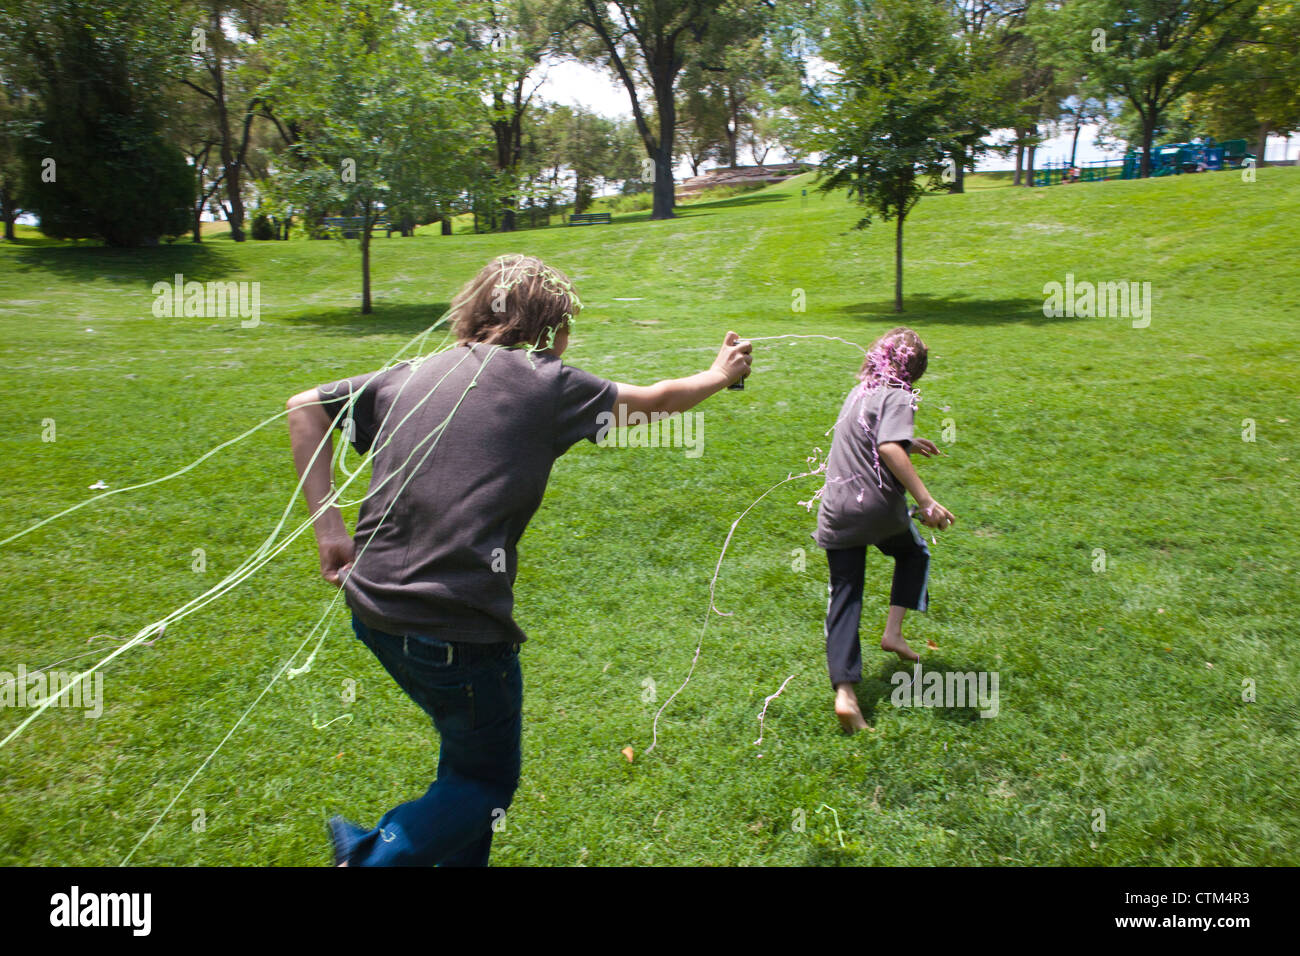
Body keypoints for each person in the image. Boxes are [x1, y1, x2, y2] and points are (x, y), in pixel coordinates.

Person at [285, 254, 752, 864]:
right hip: (456, 630)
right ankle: (373, 856)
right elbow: (656, 400)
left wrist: (330, 532)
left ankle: (404, 847)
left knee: (466, 760)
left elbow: (303, 407)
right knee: (484, 783)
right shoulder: (547, 383)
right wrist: (720, 373)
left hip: (372, 611)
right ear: (553, 328)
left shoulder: (409, 374)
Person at [811, 328, 955, 734]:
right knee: (914, 553)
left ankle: (846, 696)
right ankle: (893, 633)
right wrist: (925, 501)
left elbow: (871, 438)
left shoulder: (859, 393)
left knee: (845, 596)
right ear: (913, 371)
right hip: (876, 510)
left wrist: (908, 441)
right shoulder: (899, 393)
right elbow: (887, 447)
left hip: (837, 510)